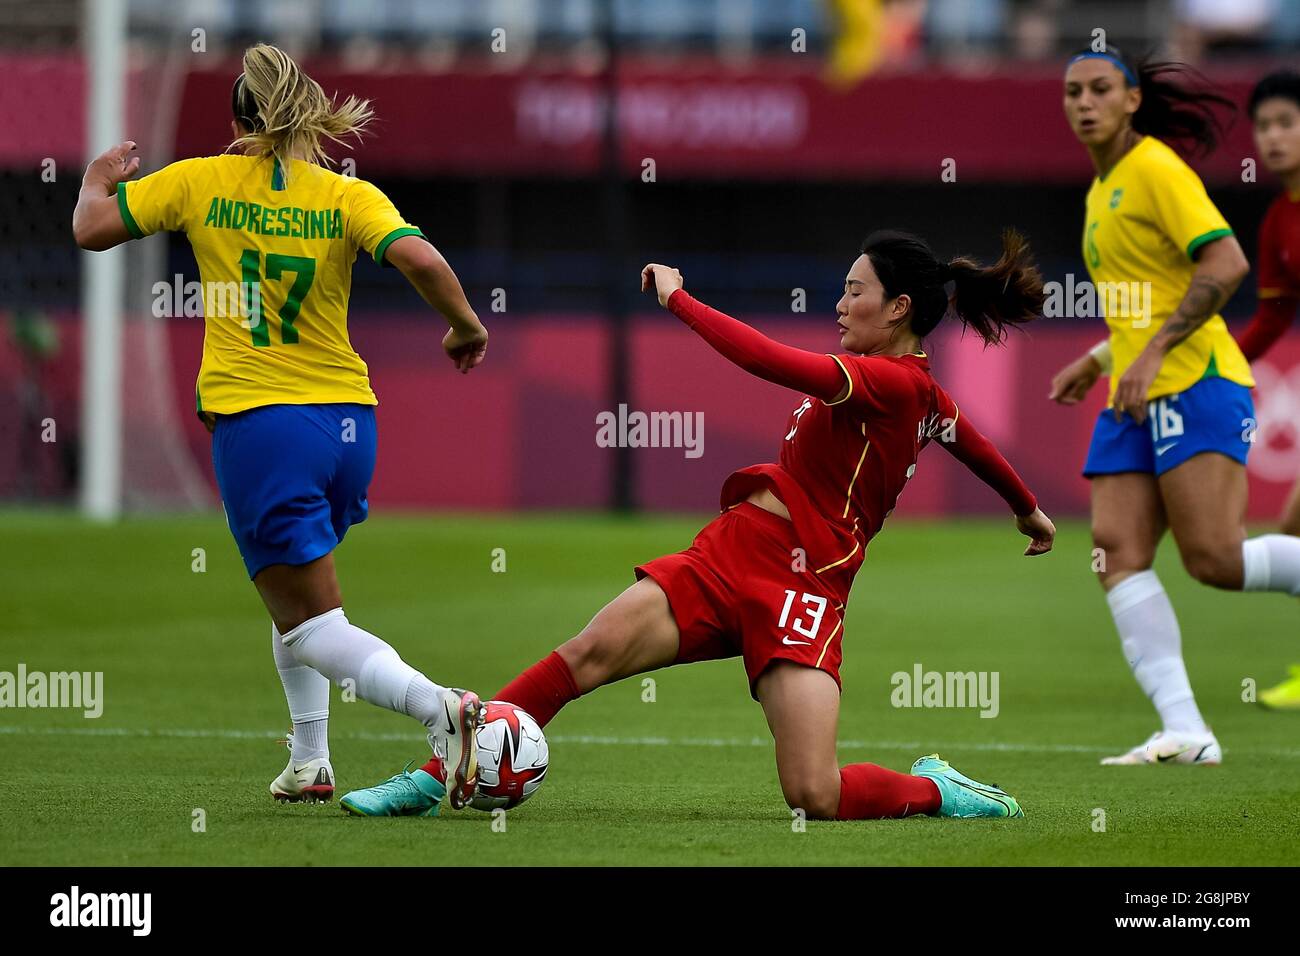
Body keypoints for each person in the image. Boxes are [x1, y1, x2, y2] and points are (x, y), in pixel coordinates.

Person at [341, 230, 1055, 821]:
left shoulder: (890, 382)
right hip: (733, 552)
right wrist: (1026, 506)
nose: (839, 304)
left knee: (816, 794)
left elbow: (768, 360)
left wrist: (681, 300)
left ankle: (937, 789)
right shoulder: (917, 390)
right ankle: (434, 777)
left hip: (803, 593)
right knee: (588, 651)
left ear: (899, 308)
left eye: (854, 290)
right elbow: (974, 443)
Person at [71, 43, 491, 811]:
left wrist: (98, 178)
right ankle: (311, 759)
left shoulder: (199, 181)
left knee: (308, 624)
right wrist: (464, 327)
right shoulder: (345, 195)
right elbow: (422, 260)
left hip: (262, 424)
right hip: (348, 429)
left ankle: (445, 711)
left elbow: (92, 229)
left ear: (238, 119)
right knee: (294, 600)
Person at [1049, 46, 1300, 764]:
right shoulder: (1103, 193)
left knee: (1214, 559)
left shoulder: (1156, 169)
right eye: (1072, 92)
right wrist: (1098, 359)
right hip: (1132, 392)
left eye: (1100, 89)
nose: (1084, 102)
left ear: (1132, 100)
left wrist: (1155, 351)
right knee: (1115, 552)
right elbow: (1142, 303)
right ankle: (1187, 729)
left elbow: (1226, 264)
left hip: (1195, 379)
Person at [1233, 70, 1300, 710]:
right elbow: (1275, 317)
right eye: (1266, 126)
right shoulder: (1280, 219)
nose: (1274, 137)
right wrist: (1215, 359)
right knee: (1295, 528)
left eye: (1287, 122)